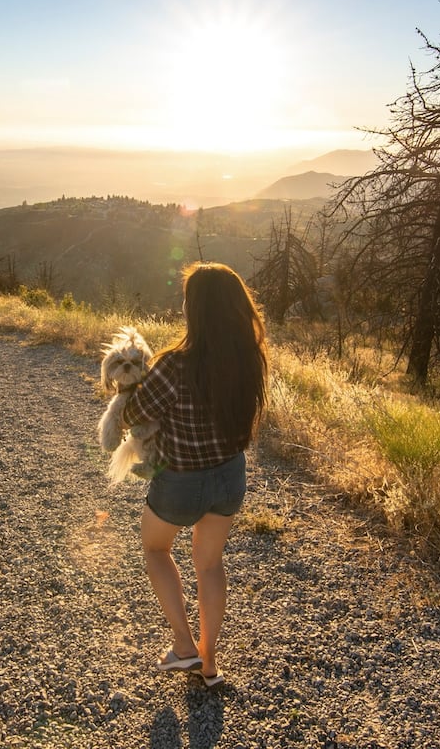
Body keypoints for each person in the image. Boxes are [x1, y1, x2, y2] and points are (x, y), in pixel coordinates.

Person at [120, 262, 268, 688]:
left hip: (182, 480)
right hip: (230, 476)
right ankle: (210, 663)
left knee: (155, 550)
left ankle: (183, 648)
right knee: (209, 564)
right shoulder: (250, 359)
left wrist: (126, 390)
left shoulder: (173, 365)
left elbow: (134, 414)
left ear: (196, 310)